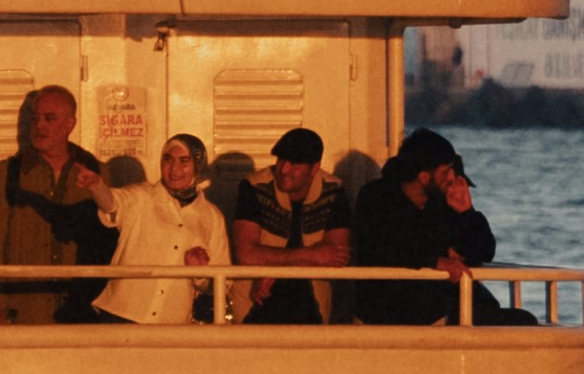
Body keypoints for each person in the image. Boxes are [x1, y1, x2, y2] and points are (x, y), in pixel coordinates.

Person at [0, 78, 116, 324]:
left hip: (81, 312)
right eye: (34, 118)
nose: (39, 125)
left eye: (49, 118)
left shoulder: (95, 172)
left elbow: (109, 242)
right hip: (25, 312)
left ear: (70, 124)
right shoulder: (6, 174)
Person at [342, 124, 502, 328]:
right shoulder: (376, 197)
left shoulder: (441, 202)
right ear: (424, 176)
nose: (453, 178)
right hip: (379, 314)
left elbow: (484, 251)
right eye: (445, 172)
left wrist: (467, 213)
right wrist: (436, 260)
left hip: (433, 314)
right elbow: (381, 247)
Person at [96, 126, 230, 325]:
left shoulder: (212, 217)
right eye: (168, 159)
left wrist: (199, 273)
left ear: (198, 167)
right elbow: (112, 203)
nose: (174, 169)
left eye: (184, 161)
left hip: (171, 323)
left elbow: (221, 283)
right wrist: (96, 186)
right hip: (121, 315)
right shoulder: (142, 196)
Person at [231, 121, 356, 326]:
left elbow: (337, 257)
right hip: (256, 307)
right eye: (281, 160)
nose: (284, 169)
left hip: (313, 311)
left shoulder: (333, 190)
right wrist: (313, 255)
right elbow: (246, 254)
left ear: (315, 168)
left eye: (295, 163)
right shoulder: (254, 187)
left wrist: (271, 265)